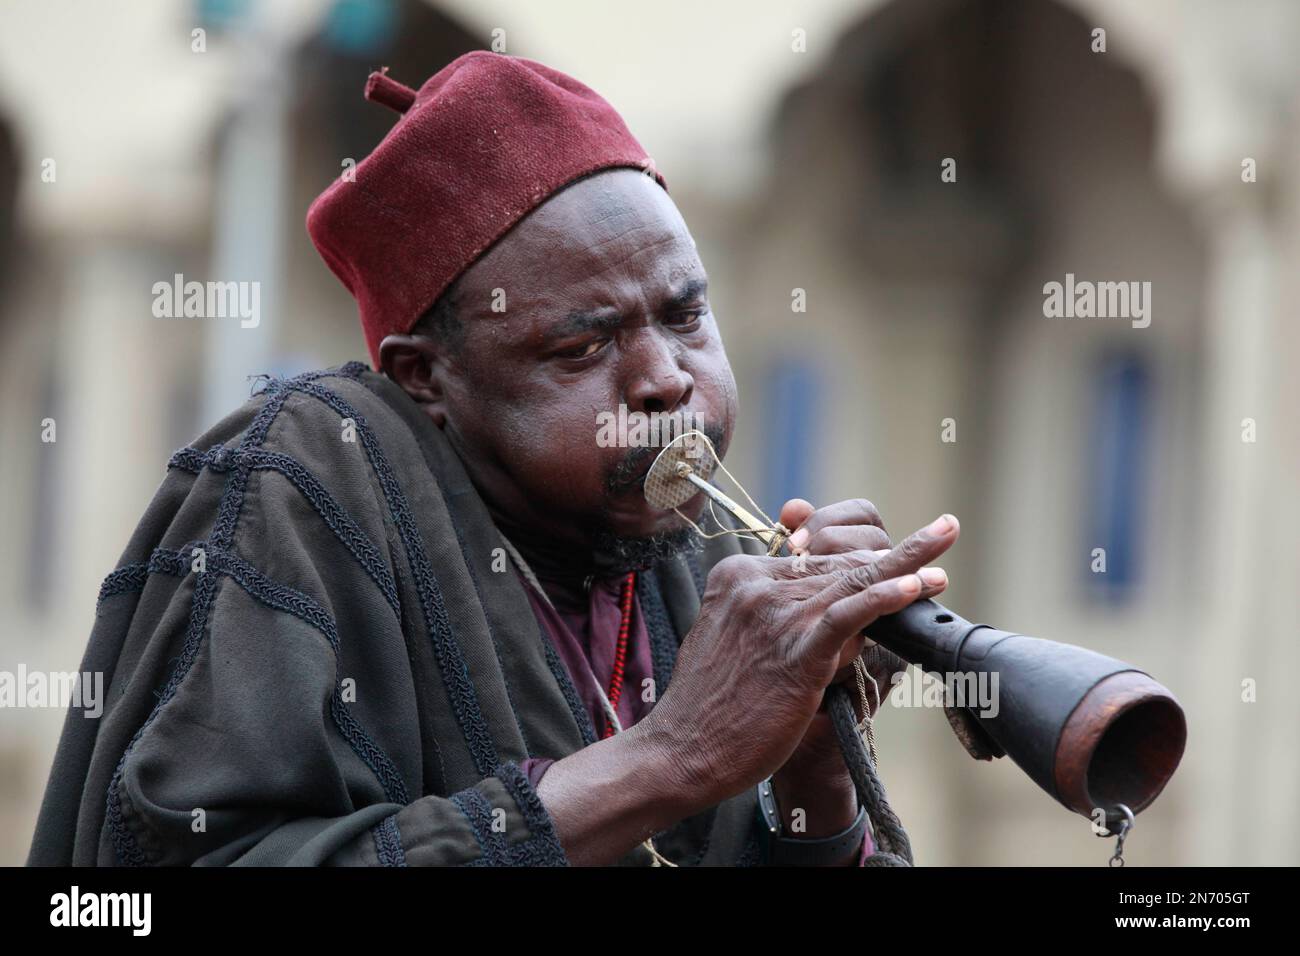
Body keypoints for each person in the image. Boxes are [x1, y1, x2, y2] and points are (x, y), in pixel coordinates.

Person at [27, 52, 990, 868]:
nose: (666, 382)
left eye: (685, 315)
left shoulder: (689, 548)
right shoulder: (307, 473)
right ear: (427, 378)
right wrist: (670, 756)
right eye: (582, 347)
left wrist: (811, 760)